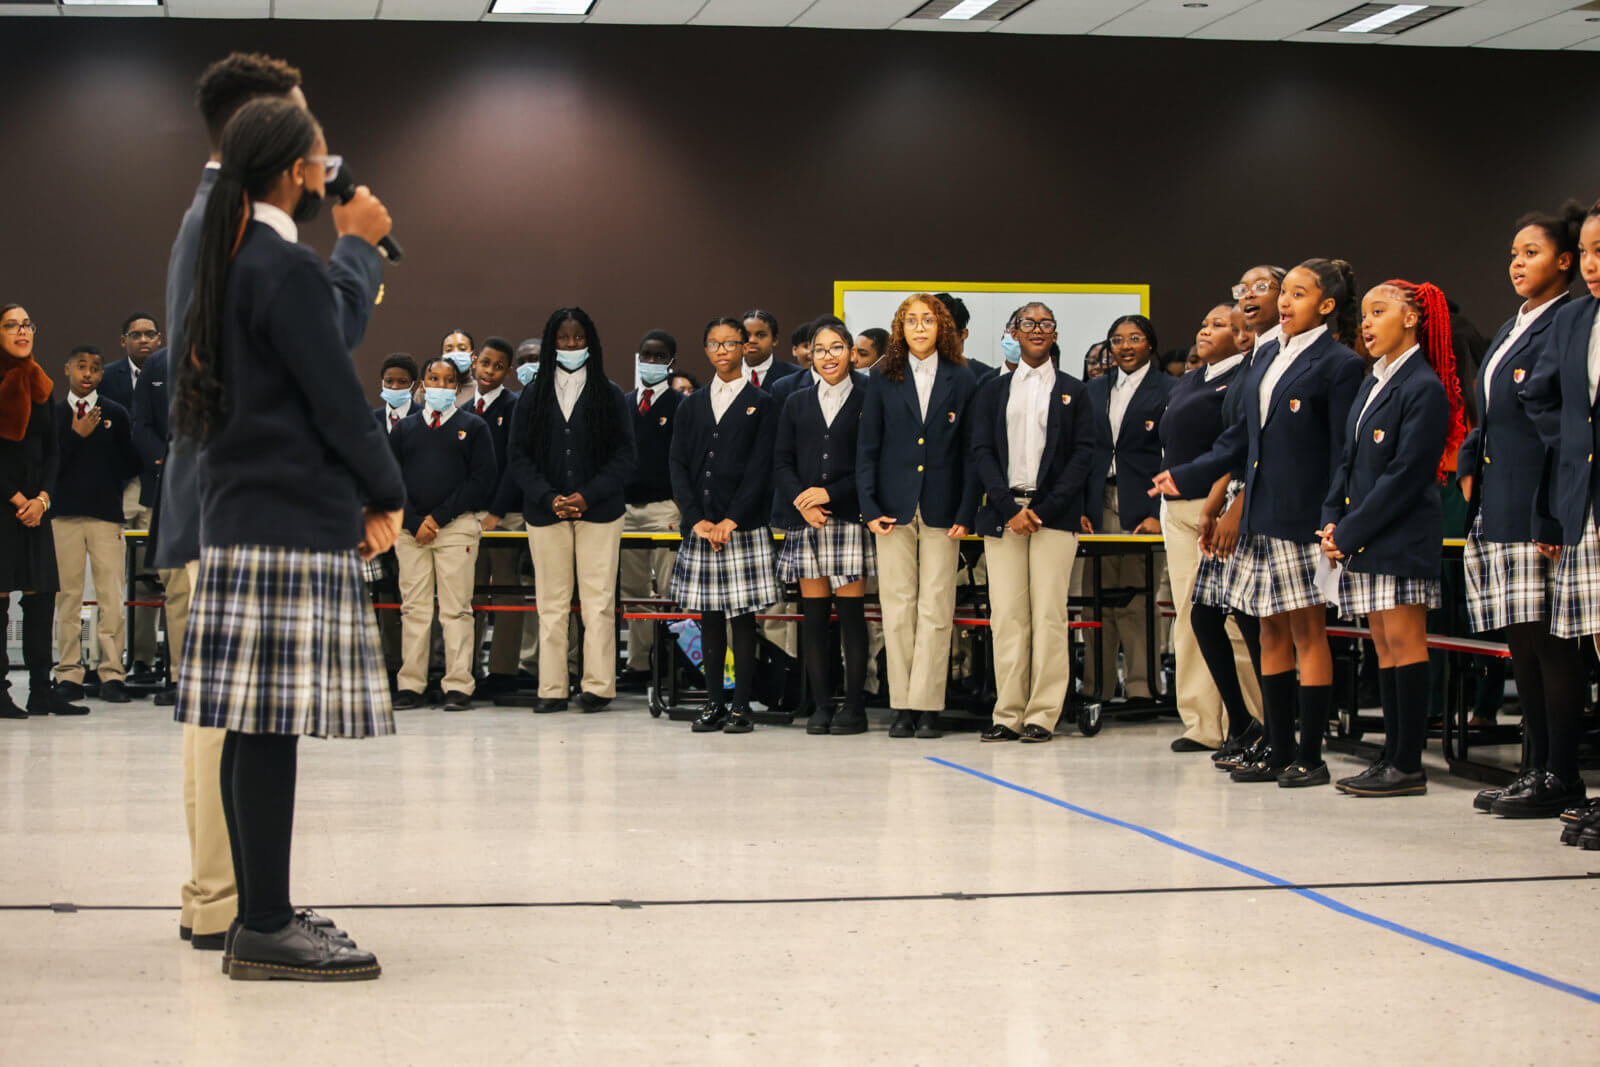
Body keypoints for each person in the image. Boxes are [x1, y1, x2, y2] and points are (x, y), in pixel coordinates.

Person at [157, 51, 387, 960]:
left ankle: (250, 907)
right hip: (261, 509)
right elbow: (323, 380)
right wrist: (383, 489)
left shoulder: (235, 236)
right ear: (280, 148)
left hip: (242, 504)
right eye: (313, 136)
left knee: (249, 721)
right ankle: (246, 912)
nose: (329, 160)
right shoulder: (242, 241)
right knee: (250, 723)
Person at [1155, 258, 1365, 788]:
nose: (1286, 302)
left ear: (1326, 305)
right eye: (1284, 292)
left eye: (1298, 293)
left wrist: (1332, 517)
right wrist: (1187, 474)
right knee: (1268, 630)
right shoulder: (1268, 353)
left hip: (1304, 517)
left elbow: (1343, 452)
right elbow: (1241, 438)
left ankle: (1310, 755)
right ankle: (1278, 746)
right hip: (1260, 513)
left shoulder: (1338, 363)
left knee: (1307, 633)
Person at [1458, 204, 1587, 818]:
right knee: (1522, 643)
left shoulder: (1567, 321)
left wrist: (1550, 509)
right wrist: (1468, 456)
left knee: (1551, 645)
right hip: (1499, 501)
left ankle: (1561, 772)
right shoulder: (1516, 323)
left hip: (1541, 505)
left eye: (1530, 253)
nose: (1516, 264)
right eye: (1513, 254)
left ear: (1564, 261)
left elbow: (1558, 423)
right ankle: (1534, 768)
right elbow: (1493, 410)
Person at [1320, 280, 1463, 797]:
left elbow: (1406, 474)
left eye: (1378, 312)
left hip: (1400, 535)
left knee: (1405, 643)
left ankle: (1408, 763)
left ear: (1410, 318)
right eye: (1364, 314)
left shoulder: (1423, 386)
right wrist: (1332, 518)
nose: (1366, 323)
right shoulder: (1372, 382)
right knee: (1382, 644)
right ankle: (1390, 755)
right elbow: (1347, 459)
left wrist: (1351, 531)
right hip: (1364, 536)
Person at [969, 302, 1094, 743]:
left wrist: (1043, 509)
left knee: (1048, 615)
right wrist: (1008, 508)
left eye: (1045, 323)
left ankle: (1042, 713)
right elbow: (982, 451)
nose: (1037, 329)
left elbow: (1083, 455)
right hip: (1004, 513)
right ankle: (1008, 713)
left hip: (1053, 516)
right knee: (1007, 617)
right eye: (1028, 323)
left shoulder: (1074, 391)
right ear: (1014, 333)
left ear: (1055, 333)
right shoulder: (992, 389)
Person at [857, 294, 979, 739]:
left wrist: (967, 509)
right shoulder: (881, 377)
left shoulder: (962, 378)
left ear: (941, 326)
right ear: (900, 329)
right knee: (897, 606)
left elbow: (971, 452)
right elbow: (867, 447)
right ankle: (902, 705)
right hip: (892, 507)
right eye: (911, 320)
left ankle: (928, 705)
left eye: (928, 319)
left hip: (944, 508)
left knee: (937, 605)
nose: (920, 327)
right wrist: (869, 507)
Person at [1517, 201, 1600, 831]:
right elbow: (1542, 397)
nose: (1593, 264)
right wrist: (1553, 504)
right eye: (1590, 252)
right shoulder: (1576, 319)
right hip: (1583, 503)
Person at [507, 307, 634, 713]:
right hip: (546, 513)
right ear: (552, 343)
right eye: (564, 338)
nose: (571, 344)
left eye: (578, 338)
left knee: (598, 602)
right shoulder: (532, 394)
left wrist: (587, 495)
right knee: (552, 604)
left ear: (590, 342)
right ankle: (552, 688)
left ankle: (597, 686)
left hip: (600, 512)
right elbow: (518, 457)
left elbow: (625, 456)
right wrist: (549, 497)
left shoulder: (610, 393)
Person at [669, 317, 781, 733]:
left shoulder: (761, 402)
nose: (722, 350)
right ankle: (713, 702)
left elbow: (761, 468)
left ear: (743, 347)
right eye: (714, 343)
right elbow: (678, 463)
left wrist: (732, 518)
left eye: (730, 343)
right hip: (702, 528)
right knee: (710, 618)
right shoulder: (691, 404)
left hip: (743, 527)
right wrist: (696, 518)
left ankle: (741, 706)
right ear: (705, 349)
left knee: (743, 620)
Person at [1154, 304, 1254, 752]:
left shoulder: (1245, 378)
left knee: (1229, 618)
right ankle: (1201, 723)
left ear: (1242, 333)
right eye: (1204, 323)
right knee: (1189, 615)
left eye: (1219, 325)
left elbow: (1235, 449)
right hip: (1176, 509)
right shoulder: (1190, 380)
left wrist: (1220, 498)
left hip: (1216, 504)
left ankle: (1247, 718)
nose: (1205, 330)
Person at [1202, 266, 1287, 771]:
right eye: (1242, 290)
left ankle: (1278, 731)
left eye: (1262, 287)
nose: (1248, 297)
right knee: (1207, 613)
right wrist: (1214, 500)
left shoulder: (1280, 357)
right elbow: (1236, 443)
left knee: (1261, 622)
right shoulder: (1255, 359)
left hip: (1261, 501)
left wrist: (1235, 507)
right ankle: (1247, 724)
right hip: (1235, 492)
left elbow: (1267, 446)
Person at [773, 322, 874, 735]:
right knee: (814, 617)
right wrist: (803, 501)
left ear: (850, 352)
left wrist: (829, 494)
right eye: (819, 349)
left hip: (848, 518)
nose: (828, 356)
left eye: (836, 348)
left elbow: (872, 463)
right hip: (807, 521)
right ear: (809, 355)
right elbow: (781, 460)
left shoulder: (870, 396)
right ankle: (820, 706)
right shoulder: (796, 401)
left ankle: (855, 706)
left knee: (850, 616)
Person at [389, 356, 497, 711]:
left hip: (456, 528)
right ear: (423, 385)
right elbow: (390, 480)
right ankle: (411, 685)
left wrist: (437, 518)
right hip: (411, 531)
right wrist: (414, 521)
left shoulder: (473, 426)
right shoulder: (404, 429)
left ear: (457, 387)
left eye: (448, 380)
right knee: (414, 609)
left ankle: (458, 686)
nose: (440, 385)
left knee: (456, 610)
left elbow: (481, 480)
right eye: (433, 379)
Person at [0, 304, 88, 719]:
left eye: (26, 325)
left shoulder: (41, 383)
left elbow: (54, 451)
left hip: (37, 507)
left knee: (42, 596)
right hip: (5, 505)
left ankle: (41, 691)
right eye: (11, 325)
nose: (22, 332)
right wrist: (19, 499)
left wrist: (42, 500)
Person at [1083, 314, 1173, 703]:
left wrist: (1159, 511)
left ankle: (1141, 688)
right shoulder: (1094, 389)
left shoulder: (1169, 388)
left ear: (1150, 344)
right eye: (1117, 340)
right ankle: (1097, 687)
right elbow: (1083, 450)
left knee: (1137, 598)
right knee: (1096, 598)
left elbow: (1173, 453)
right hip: (1099, 499)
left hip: (1144, 501)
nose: (1125, 346)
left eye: (1134, 338)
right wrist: (1081, 506)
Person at [51, 345, 140, 704]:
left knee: (111, 597)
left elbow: (130, 461)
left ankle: (112, 673)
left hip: (105, 516)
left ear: (103, 375)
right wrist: (76, 435)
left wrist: (109, 482)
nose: (87, 374)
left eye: (95, 368)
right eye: (81, 366)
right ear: (67, 369)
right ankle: (68, 673)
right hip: (64, 516)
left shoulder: (115, 413)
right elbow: (47, 465)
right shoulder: (55, 414)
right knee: (68, 597)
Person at [620, 329, 684, 688]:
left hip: (664, 510)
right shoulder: (624, 404)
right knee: (634, 591)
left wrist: (680, 504)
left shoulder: (680, 405)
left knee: (671, 590)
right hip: (626, 511)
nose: (652, 361)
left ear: (671, 362)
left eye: (660, 356)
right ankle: (640, 663)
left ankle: (675, 662)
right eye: (647, 355)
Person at [108, 312, 166, 682]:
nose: (143, 340)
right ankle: (107, 663)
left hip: (152, 483)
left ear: (159, 339)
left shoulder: (169, 372)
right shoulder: (106, 376)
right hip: (114, 487)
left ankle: (143, 658)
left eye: (149, 334)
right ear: (124, 340)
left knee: (148, 576)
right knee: (110, 579)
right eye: (135, 334)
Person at [470, 338, 525, 692]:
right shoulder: (463, 408)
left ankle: (503, 671)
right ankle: (466, 669)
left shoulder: (514, 406)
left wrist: (497, 512)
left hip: (505, 516)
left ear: (508, 372)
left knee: (506, 591)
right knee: (468, 594)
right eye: (485, 363)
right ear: (475, 362)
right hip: (467, 518)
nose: (490, 371)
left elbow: (514, 464)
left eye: (499, 366)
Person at [741, 309, 800, 391]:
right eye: (746, 335)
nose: (752, 340)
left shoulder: (796, 376)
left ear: (774, 340)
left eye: (761, 335)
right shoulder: (726, 374)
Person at [376, 353, 417, 431]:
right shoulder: (372, 419)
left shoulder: (425, 417)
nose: (395, 387)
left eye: (402, 381)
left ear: (413, 385)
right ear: (382, 382)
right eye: (389, 381)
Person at [440, 328, 477, 409]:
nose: (455, 353)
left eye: (462, 349)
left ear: (473, 357)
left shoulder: (481, 391)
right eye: (449, 350)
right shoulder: (428, 389)